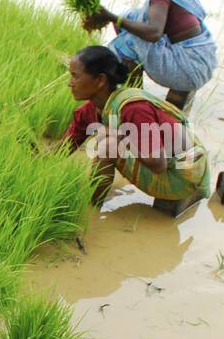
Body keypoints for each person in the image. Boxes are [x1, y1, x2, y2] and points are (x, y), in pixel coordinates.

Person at [63, 45, 211, 214]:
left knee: (108, 145)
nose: (70, 83)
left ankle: (91, 209)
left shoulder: (133, 109)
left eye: (76, 76)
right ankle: (92, 204)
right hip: (171, 165)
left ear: (100, 81)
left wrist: (119, 136)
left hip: (182, 175)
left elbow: (158, 164)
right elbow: (64, 148)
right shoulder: (90, 110)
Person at [82, 0, 217, 111]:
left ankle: (133, 99)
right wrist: (113, 19)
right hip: (200, 60)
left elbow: (154, 33)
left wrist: (111, 17)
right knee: (130, 17)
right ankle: (143, 90)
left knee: (130, 40)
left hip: (189, 68)